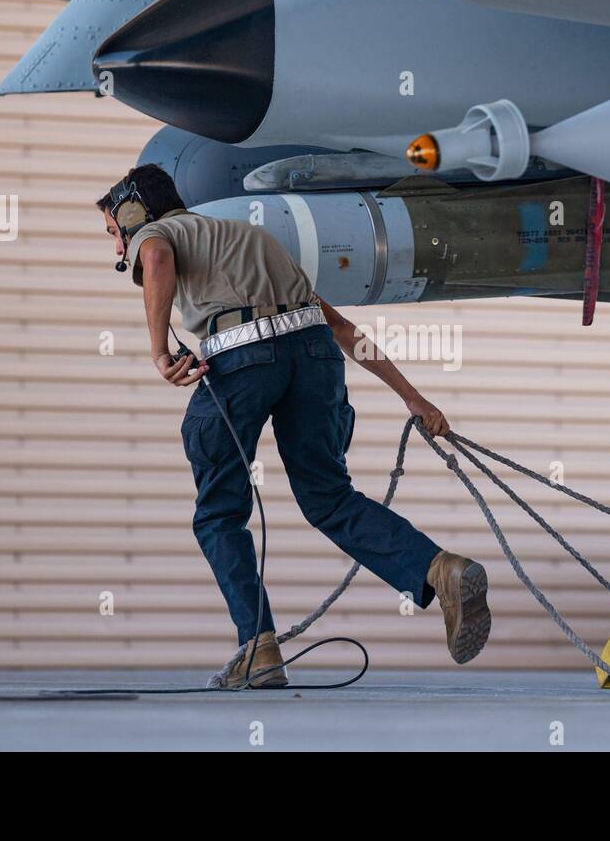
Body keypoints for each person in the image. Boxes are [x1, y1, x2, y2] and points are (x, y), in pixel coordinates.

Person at [98, 165, 491, 688]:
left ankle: (259, 648)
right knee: (328, 498)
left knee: (219, 513)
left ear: (131, 213)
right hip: (313, 356)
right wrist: (413, 398)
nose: (116, 244)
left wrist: (159, 352)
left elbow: (156, 258)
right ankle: (439, 569)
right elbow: (341, 327)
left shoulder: (158, 233)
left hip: (243, 360)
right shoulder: (250, 236)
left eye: (112, 231)